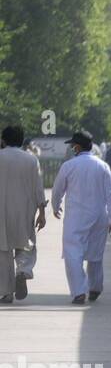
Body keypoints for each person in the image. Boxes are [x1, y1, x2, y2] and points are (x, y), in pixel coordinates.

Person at [50, 131, 111, 305]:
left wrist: (55, 206)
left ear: (78, 147)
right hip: (99, 217)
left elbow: (57, 190)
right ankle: (95, 288)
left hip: (76, 218)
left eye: (73, 145)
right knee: (95, 254)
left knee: (73, 253)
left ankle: (79, 291)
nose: (72, 148)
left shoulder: (69, 166)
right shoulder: (103, 166)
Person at [0, 125, 46, 304]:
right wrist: (42, 213)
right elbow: (38, 188)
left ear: (3, 140)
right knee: (26, 245)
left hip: (2, 212)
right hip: (25, 210)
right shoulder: (31, 159)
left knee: (2, 250)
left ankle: (6, 292)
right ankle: (23, 270)